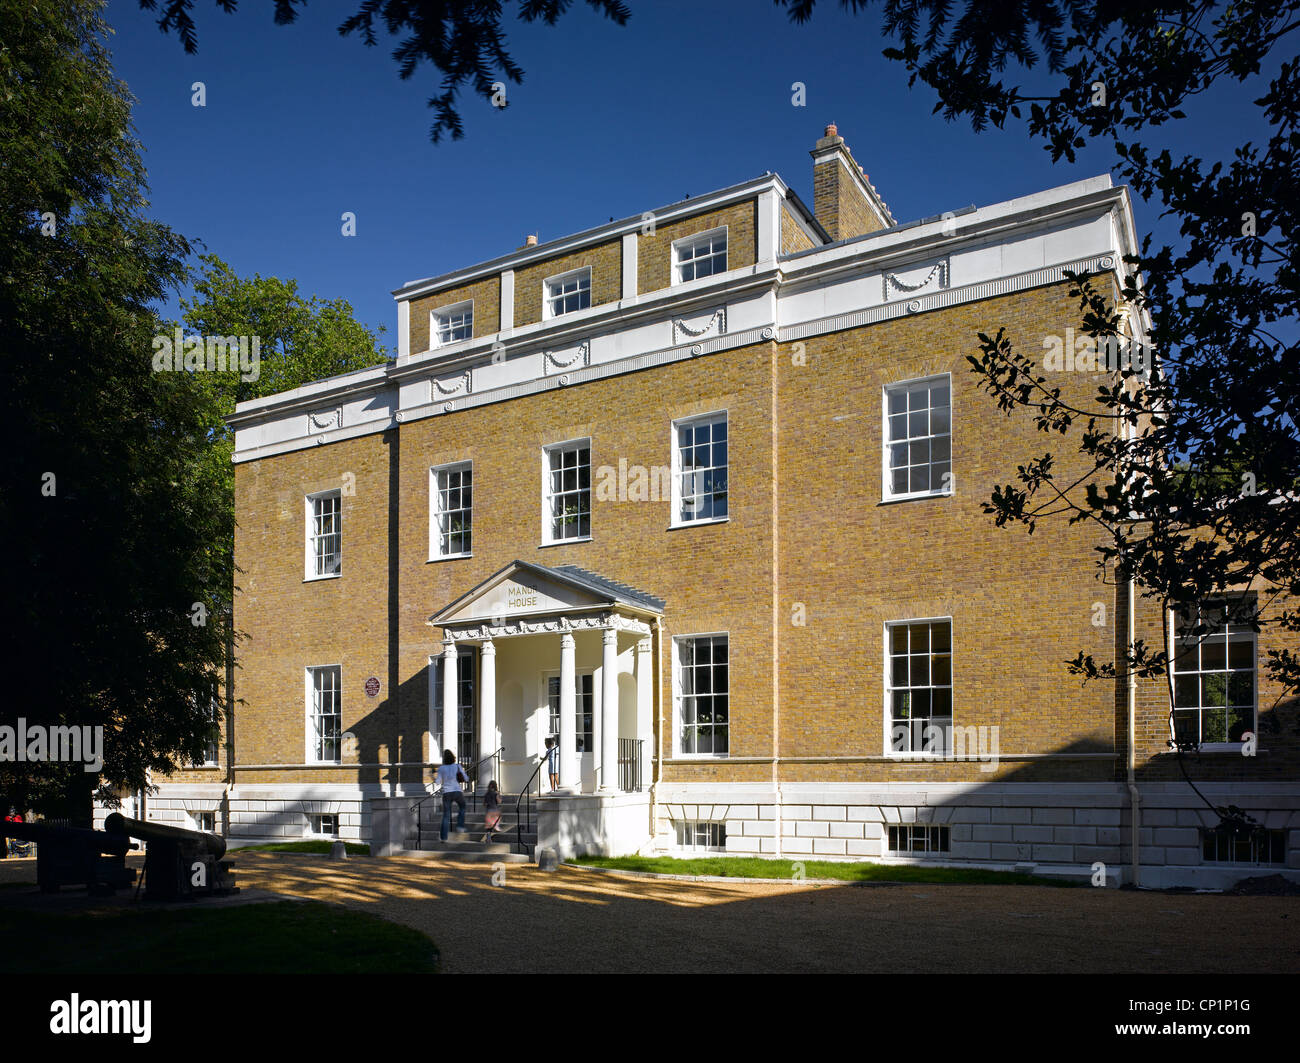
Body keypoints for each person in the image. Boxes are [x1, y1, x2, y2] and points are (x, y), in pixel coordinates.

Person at [435, 749, 468, 841]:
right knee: (462, 806)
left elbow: (437, 782)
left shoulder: (441, 768)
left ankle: (443, 837)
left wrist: (433, 776)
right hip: (457, 791)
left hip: (447, 792)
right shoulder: (457, 766)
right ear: (453, 757)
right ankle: (460, 826)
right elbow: (465, 778)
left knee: (446, 815)